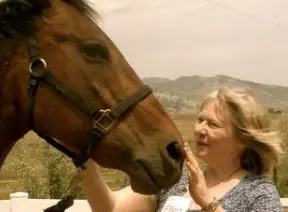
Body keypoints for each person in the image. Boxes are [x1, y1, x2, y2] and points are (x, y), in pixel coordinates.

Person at [79, 87, 283, 212]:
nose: (200, 130)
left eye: (213, 125)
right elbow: (110, 208)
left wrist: (208, 204)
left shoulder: (259, 192)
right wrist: (84, 159)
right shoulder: (176, 179)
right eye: (200, 120)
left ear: (243, 140)